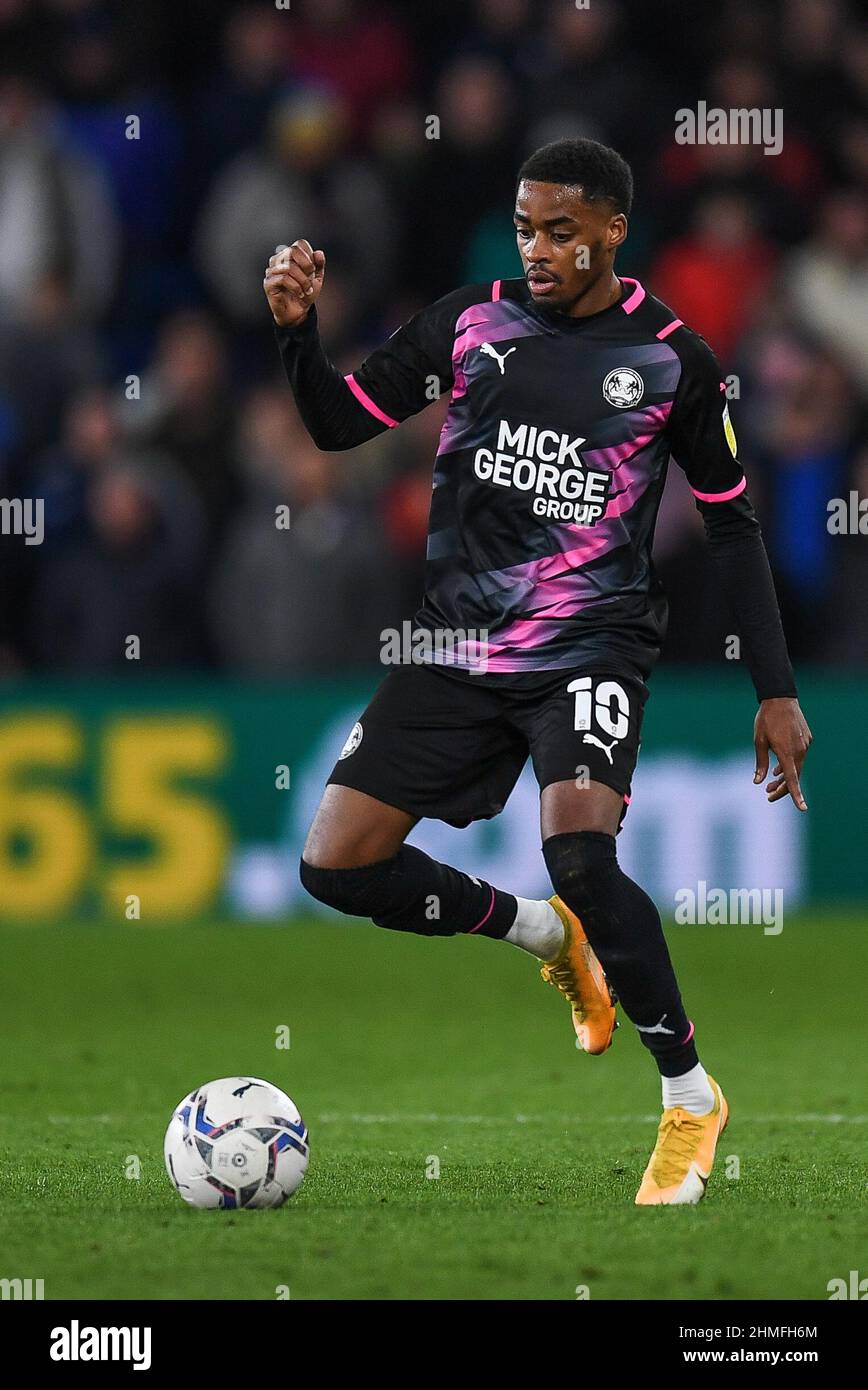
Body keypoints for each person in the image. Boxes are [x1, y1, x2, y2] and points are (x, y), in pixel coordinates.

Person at [265, 137, 812, 1207]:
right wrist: (296, 338)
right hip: (457, 643)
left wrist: (776, 687)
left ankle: (691, 1098)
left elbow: (732, 524)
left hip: (591, 645)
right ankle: (533, 933)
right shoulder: (470, 321)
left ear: (613, 229)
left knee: (580, 852)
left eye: (562, 231)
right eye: (525, 228)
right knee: (334, 868)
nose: (541, 249)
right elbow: (337, 425)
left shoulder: (671, 358)